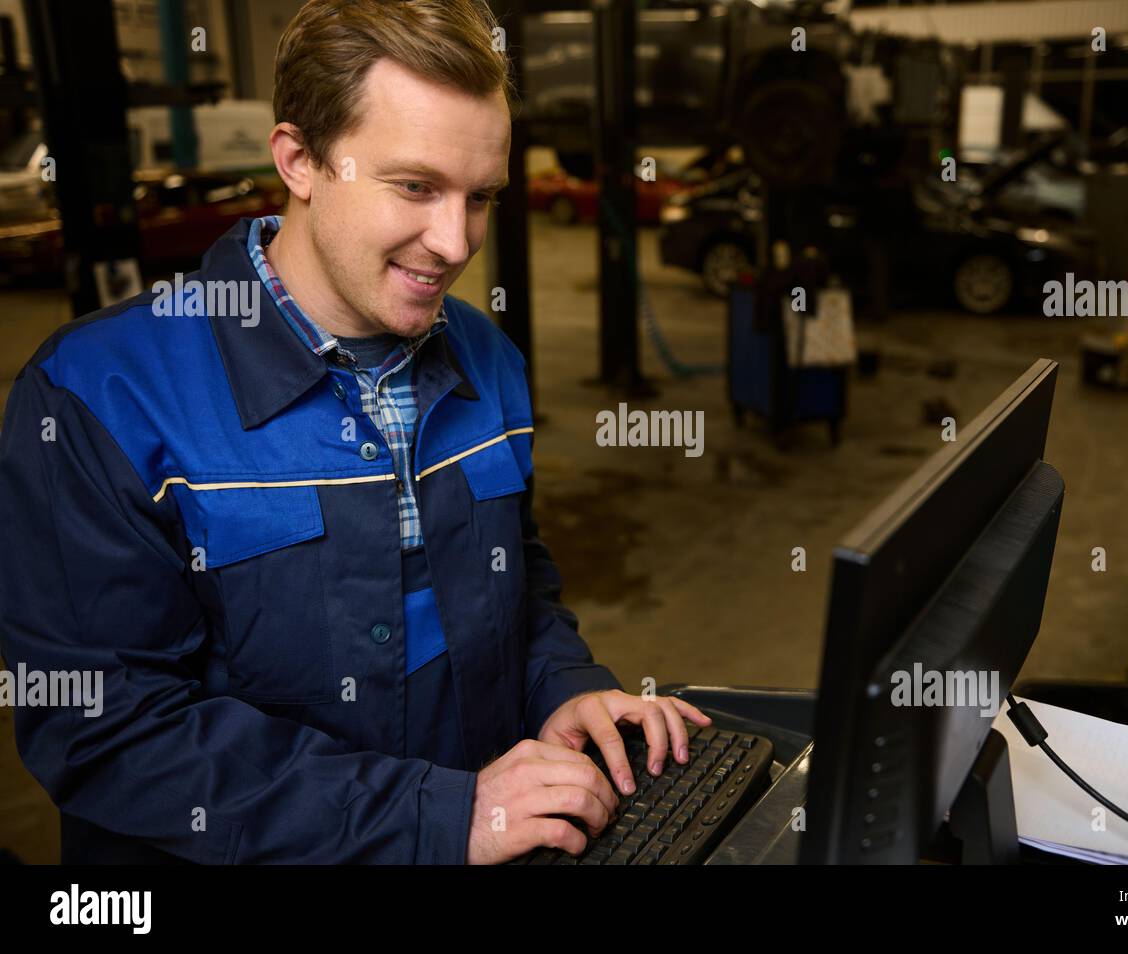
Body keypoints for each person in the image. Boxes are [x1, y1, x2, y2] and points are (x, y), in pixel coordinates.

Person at [0, 0, 708, 864]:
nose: (454, 244)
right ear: (299, 159)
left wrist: (563, 688)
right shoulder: (98, 397)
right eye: (415, 186)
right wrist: (435, 818)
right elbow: (109, 736)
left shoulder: (487, 359)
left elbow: (518, 587)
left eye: (480, 196)